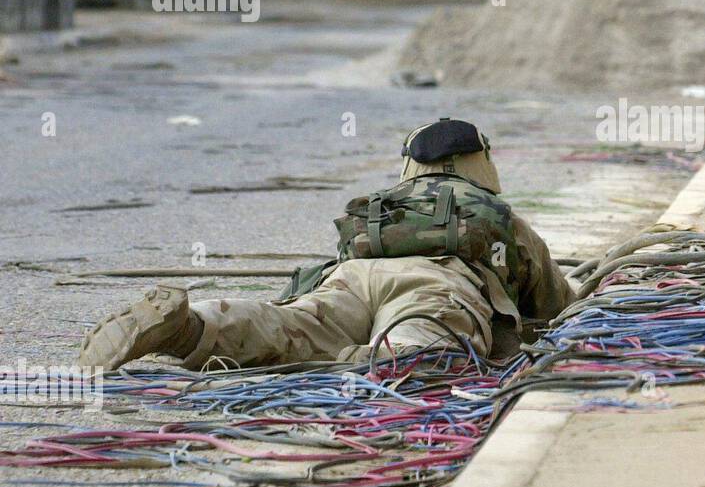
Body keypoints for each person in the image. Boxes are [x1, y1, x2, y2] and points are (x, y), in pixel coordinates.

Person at [78, 119, 575, 370]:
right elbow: (557, 306)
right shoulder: (499, 216)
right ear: (481, 162)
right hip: (438, 284)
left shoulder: (390, 204)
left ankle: (192, 325)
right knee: (419, 356)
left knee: (291, 325)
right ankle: (374, 360)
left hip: (352, 279)